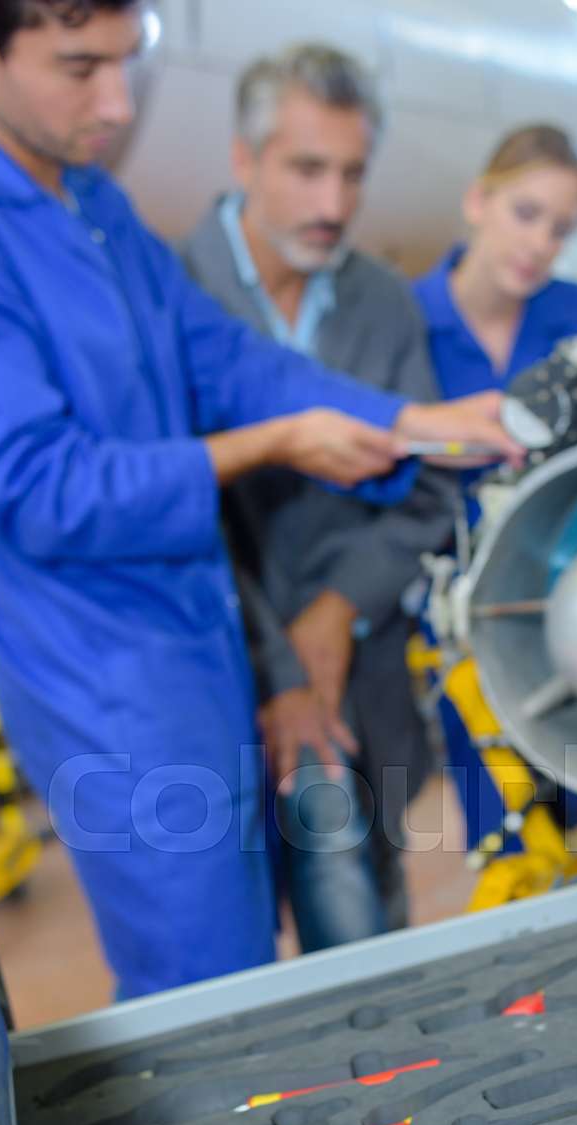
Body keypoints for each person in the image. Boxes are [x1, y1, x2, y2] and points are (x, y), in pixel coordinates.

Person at [0, 0, 518, 1000]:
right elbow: (30, 487)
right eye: (79, 68)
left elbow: (221, 358)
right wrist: (272, 445)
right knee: (205, 992)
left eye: (128, 63)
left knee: (244, 966)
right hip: (107, 680)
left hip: (195, 653)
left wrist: (409, 421)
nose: (116, 104)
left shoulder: (88, 196)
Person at [182, 46, 455, 953]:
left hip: (364, 675)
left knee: (375, 918)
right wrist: (284, 667)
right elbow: (181, 512)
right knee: (241, 949)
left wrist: (339, 610)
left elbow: (430, 492)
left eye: (351, 173)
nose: (333, 206)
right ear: (244, 159)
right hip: (225, 684)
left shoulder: (382, 299)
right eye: (306, 169)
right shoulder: (176, 296)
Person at [413, 123, 577, 855]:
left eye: (561, 229)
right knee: (509, 838)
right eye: (526, 214)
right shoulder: (406, 322)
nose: (539, 244)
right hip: (467, 637)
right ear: (477, 201)